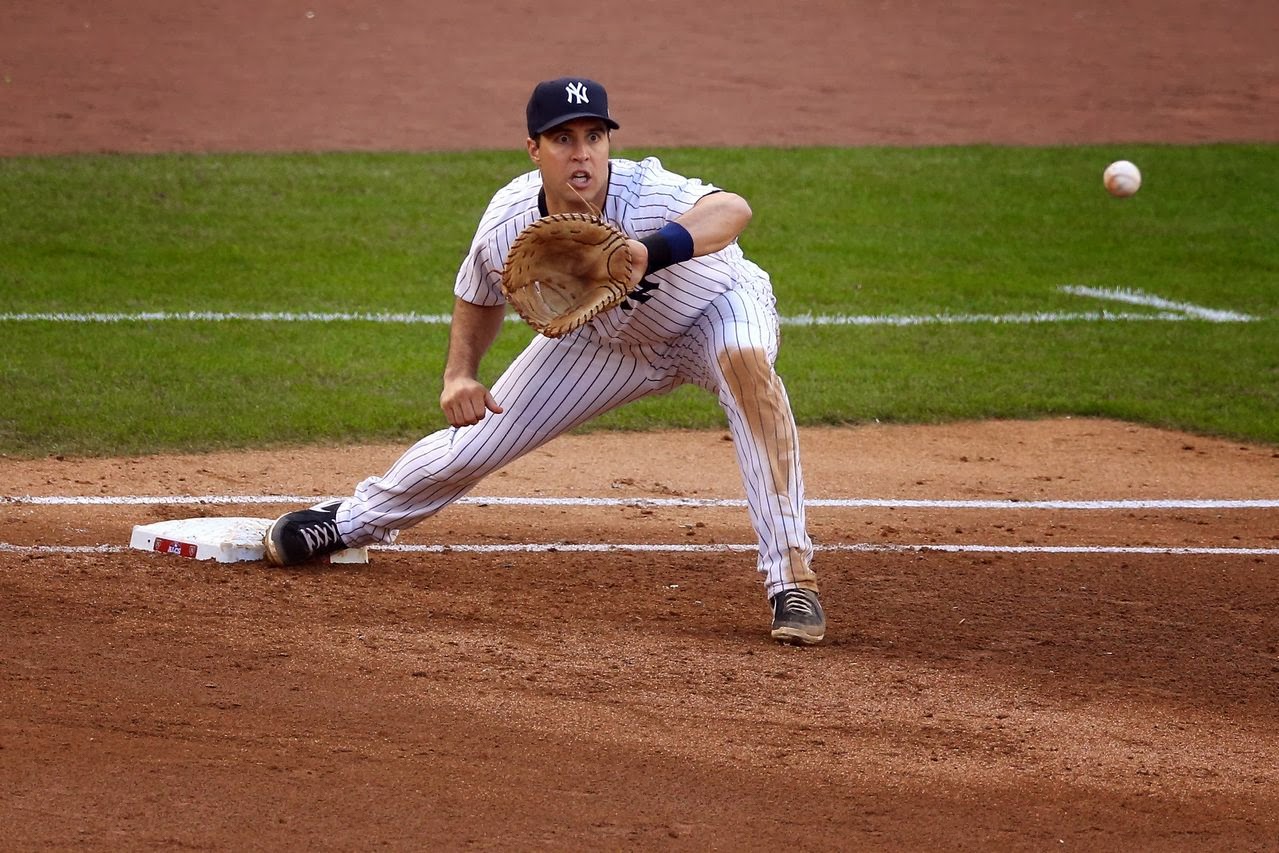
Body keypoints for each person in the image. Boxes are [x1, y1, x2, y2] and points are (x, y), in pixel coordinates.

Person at [264, 77, 825, 644]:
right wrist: (459, 373)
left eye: (594, 136)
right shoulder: (509, 219)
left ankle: (791, 582)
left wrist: (649, 251)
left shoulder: (644, 190)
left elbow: (731, 208)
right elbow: (477, 292)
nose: (582, 153)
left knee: (748, 369)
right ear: (534, 148)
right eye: (562, 139)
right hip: (603, 345)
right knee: (478, 442)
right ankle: (350, 522)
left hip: (716, 307)